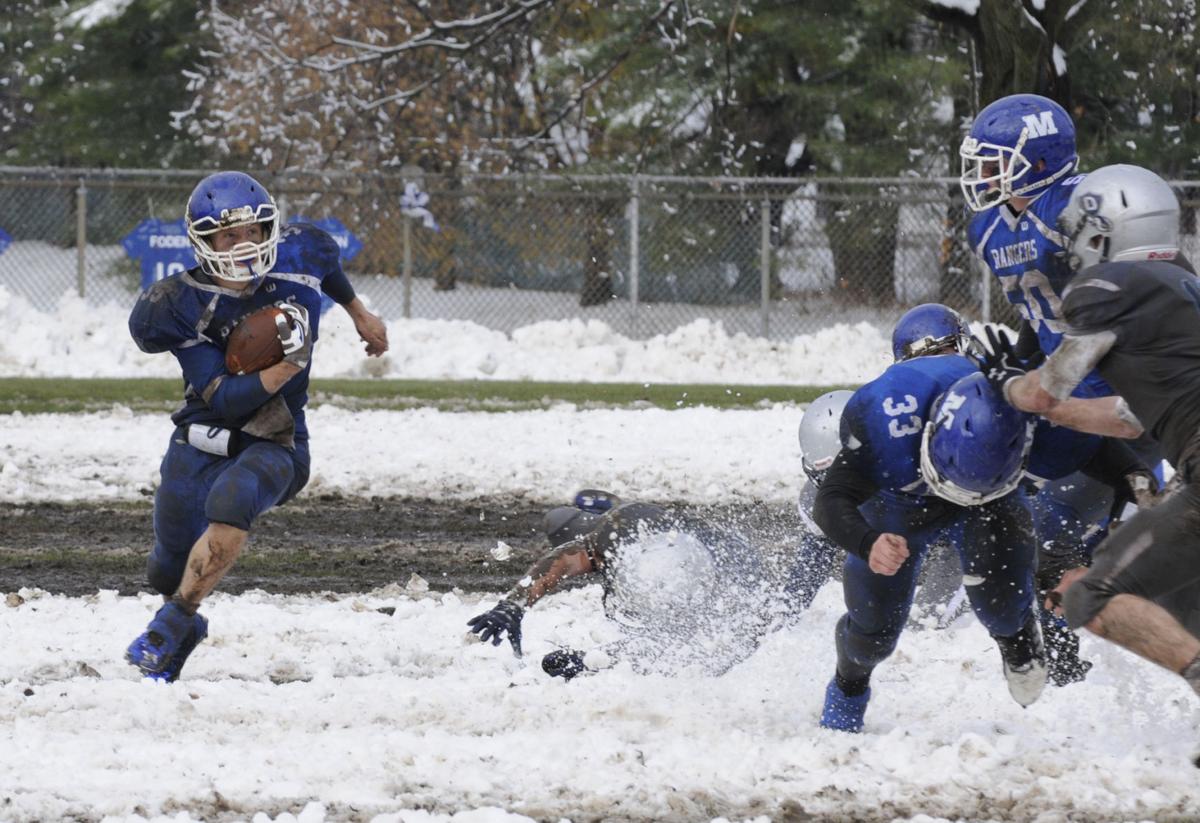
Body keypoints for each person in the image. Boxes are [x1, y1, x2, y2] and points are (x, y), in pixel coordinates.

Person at [124, 171, 388, 681]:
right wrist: (285, 366)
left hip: (277, 438)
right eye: (229, 236)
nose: (244, 246)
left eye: (254, 232)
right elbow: (223, 399)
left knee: (233, 499)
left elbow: (326, 266)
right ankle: (182, 617)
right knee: (165, 567)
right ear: (204, 242)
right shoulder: (177, 305)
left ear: (272, 230)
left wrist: (357, 311)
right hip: (202, 432)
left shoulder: (302, 252)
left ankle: (171, 624)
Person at [974, 164, 1200, 705]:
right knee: (1183, 604)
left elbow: (1046, 390)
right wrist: (1056, 410)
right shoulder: (1183, 284)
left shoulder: (1105, 285)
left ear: (1106, 231)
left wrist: (1007, 382)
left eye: (1078, 233)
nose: (1072, 248)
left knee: (1089, 596)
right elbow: (1128, 416)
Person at [813, 347, 1044, 733]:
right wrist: (868, 542)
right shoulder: (879, 421)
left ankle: (1018, 637)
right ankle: (848, 688)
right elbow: (831, 499)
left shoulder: (1011, 401)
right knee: (873, 631)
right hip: (901, 501)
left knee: (1001, 603)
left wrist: (1132, 474)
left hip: (992, 496)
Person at [467, 492, 779, 678]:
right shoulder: (621, 532)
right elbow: (564, 560)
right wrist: (514, 604)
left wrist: (592, 662)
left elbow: (689, 656)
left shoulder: (732, 574)